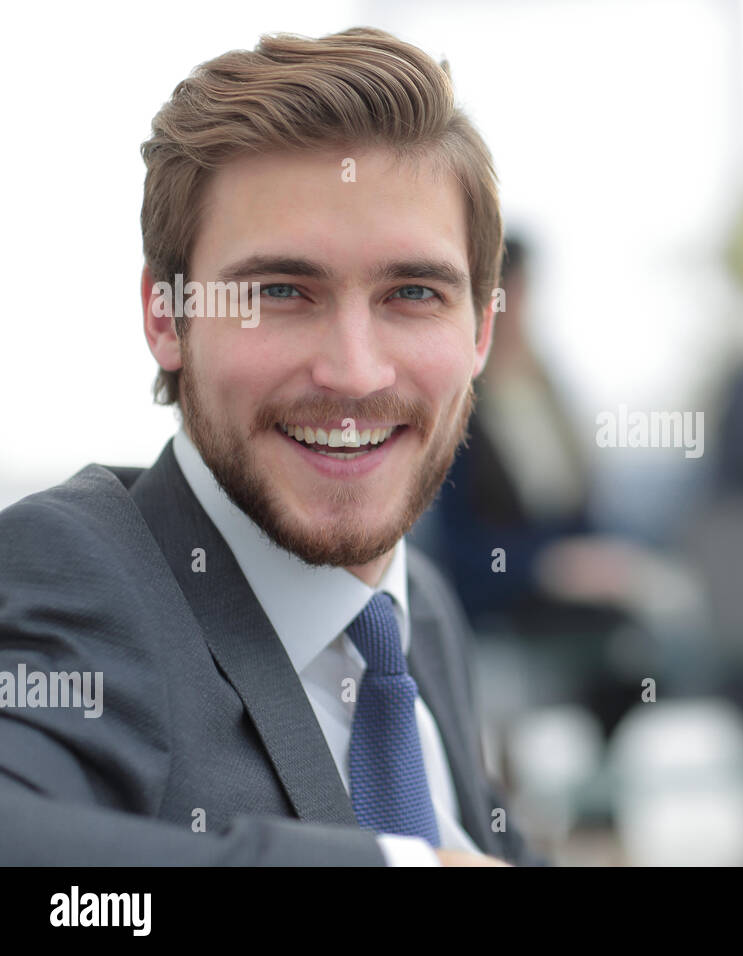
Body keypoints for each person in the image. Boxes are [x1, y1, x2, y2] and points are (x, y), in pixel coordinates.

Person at [0, 28, 544, 866]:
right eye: (282, 291)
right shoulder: (79, 575)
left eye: (413, 292)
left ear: (481, 331)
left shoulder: (415, 611)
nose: (354, 372)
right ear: (165, 317)